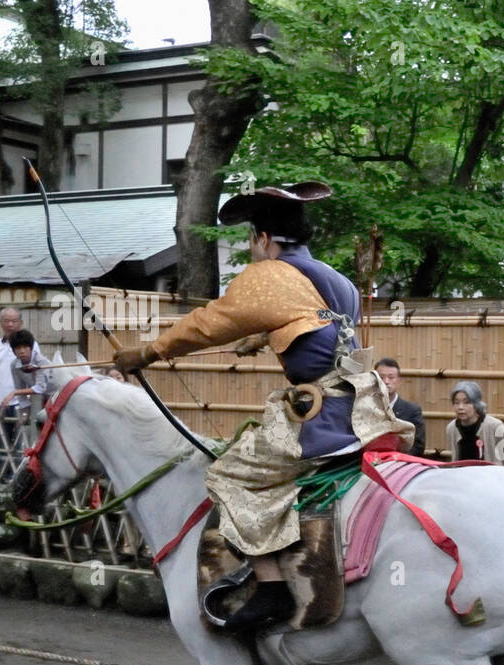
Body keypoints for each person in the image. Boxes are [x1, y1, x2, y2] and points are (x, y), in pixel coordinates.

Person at [113, 181, 412, 631]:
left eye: (252, 241)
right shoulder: (334, 279)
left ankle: (270, 587)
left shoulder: (270, 275)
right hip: (358, 407)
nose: (252, 251)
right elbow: (315, 326)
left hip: (321, 416)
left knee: (231, 474)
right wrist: (261, 337)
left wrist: (148, 352)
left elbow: (209, 322)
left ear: (264, 239)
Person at [445, 381, 504, 464]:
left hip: (491, 475)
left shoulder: (495, 426)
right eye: (456, 403)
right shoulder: (451, 428)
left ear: (476, 403)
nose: (460, 407)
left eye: (466, 402)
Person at [376, 357, 425, 456]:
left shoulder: (412, 411)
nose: (386, 381)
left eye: (391, 377)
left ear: (398, 381)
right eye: (381, 377)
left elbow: (418, 446)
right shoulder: (365, 408)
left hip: (400, 464)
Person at [2, 329, 49, 418]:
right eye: (18, 348)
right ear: (13, 351)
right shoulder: (14, 365)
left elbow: (40, 387)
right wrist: (25, 413)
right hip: (38, 400)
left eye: (25, 347)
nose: (22, 351)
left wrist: (14, 393)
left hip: (55, 396)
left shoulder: (40, 361)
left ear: (31, 348)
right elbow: (20, 389)